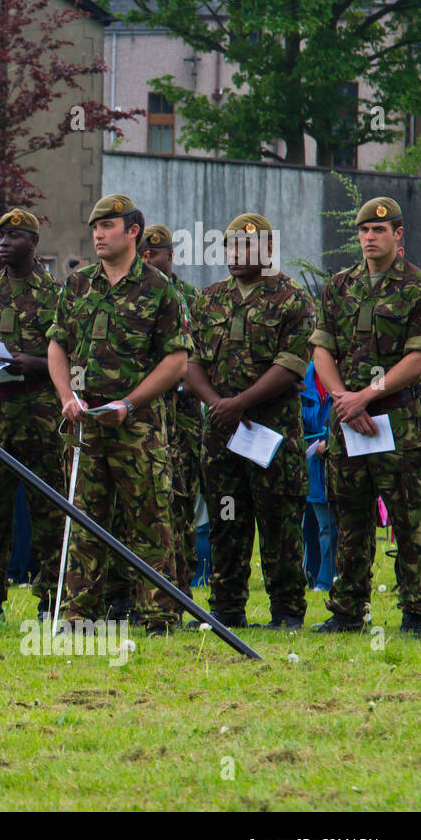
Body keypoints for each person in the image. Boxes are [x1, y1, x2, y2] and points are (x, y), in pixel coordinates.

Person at [46, 194, 192, 635]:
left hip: (138, 427)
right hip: (86, 423)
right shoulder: (78, 285)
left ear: (133, 232)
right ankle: (78, 617)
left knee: (149, 520)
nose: (98, 234)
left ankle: (157, 618)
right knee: (85, 520)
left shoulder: (160, 288)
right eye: (94, 227)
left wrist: (129, 403)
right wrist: (66, 396)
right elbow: (57, 344)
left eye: (107, 226)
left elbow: (176, 360)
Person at [182, 214, 312, 629]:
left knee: (279, 521)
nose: (238, 255)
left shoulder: (291, 298)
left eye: (248, 247)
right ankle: (226, 609)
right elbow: (192, 361)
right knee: (226, 519)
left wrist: (238, 402)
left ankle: (287, 612)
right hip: (221, 436)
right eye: (232, 247)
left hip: (272, 434)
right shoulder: (209, 298)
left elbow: (291, 366)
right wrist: (217, 403)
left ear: (268, 251)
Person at [310, 197, 421, 636]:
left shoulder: (418, 288)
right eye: (363, 231)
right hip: (349, 426)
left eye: (379, 231)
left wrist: (366, 395)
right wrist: (344, 398)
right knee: (350, 517)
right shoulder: (339, 286)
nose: (369, 238)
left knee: (410, 518)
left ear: (399, 235)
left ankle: (418, 613)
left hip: (399, 424)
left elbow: (420, 358)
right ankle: (347, 610)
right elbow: (321, 349)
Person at [0, 208, 64, 622]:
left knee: (48, 510)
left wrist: (38, 364)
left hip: (41, 413)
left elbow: (72, 355)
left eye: (15, 236)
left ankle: (50, 598)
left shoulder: (57, 294)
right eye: (0, 236)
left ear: (34, 243)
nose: (4, 242)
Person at [139, 224, 201, 597]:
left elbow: (200, 353)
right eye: (143, 254)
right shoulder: (131, 293)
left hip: (181, 415)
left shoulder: (187, 296)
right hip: (143, 413)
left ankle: (182, 587)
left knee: (179, 501)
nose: (148, 260)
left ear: (170, 255)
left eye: (154, 254)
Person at [300, 360, 334, 592]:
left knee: (328, 526)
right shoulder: (304, 377)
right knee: (307, 525)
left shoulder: (342, 376)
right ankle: (310, 576)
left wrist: (329, 441)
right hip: (306, 460)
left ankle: (325, 580)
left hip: (335, 460)